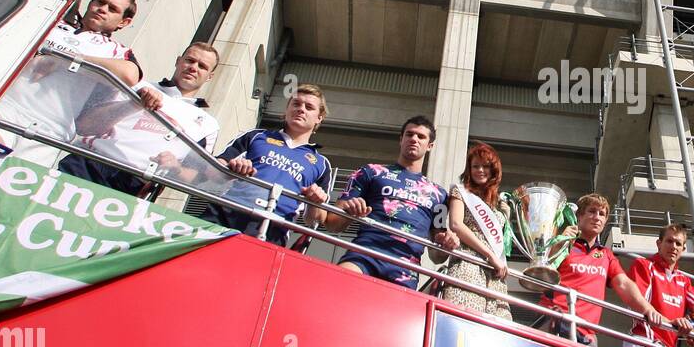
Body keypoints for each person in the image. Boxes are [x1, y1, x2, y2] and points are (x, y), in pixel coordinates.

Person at [0, 0, 143, 165]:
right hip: (5, 110)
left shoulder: (115, 51)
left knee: (7, 188)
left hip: (51, 131)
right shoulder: (52, 24)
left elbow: (129, 75)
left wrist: (64, 59)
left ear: (124, 22)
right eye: (100, 2)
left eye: (113, 9)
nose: (103, 9)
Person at [58, 42, 221, 195]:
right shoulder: (136, 85)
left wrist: (176, 168)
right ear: (178, 61)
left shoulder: (208, 124)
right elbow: (84, 126)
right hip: (90, 162)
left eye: (202, 66)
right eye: (190, 61)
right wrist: (133, 103)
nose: (193, 68)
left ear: (210, 76)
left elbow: (197, 177)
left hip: (134, 184)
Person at [320, 115, 459, 288]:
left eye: (421, 136)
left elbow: (436, 257)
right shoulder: (370, 172)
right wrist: (350, 213)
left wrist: (447, 243)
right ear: (401, 139)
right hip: (363, 256)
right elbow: (332, 224)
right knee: (336, 290)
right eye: (409, 134)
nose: (414, 139)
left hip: (405, 271)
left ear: (430, 146)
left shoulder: (440, 194)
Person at [206, 85, 332, 246]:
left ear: (319, 118)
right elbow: (211, 171)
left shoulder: (322, 164)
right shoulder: (256, 136)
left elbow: (314, 219)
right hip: (224, 215)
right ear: (286, 110)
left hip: (275, 230)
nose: (301, 109)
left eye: (309, 107)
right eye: (296, 104)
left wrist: (316, 201)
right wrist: (231, 168)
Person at [536, 193, 646, 347]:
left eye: (602, 214)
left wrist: (648, 310)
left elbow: (624, 285)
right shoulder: (565, 244)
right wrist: (559, 243)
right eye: (592, 211)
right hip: (555, 320)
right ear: (579, 216)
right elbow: (541, 274)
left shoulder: (606, 255)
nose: (597, 217)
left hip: (587, 334)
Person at [439, 142, 512, 320]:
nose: (480, 170)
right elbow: (456, 224)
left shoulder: (500, 206)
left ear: (494, 170)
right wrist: (490, 255)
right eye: (475, 166)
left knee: (499, 330)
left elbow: (502, 242)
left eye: (485, 166)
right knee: (463, 322)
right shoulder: (460, 192)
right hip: (467, 266)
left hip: (495, 277)